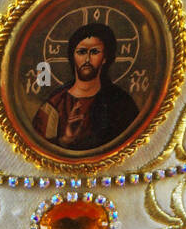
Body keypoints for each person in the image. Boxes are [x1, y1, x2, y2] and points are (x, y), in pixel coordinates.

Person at [32, 22, 139, 153]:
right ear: (73, 56)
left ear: (104, 58)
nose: (87, 59)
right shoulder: (54, 106)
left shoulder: (122, 103)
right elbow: (37, 154)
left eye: (94, 52)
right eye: (81, 52)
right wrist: (66, 139)